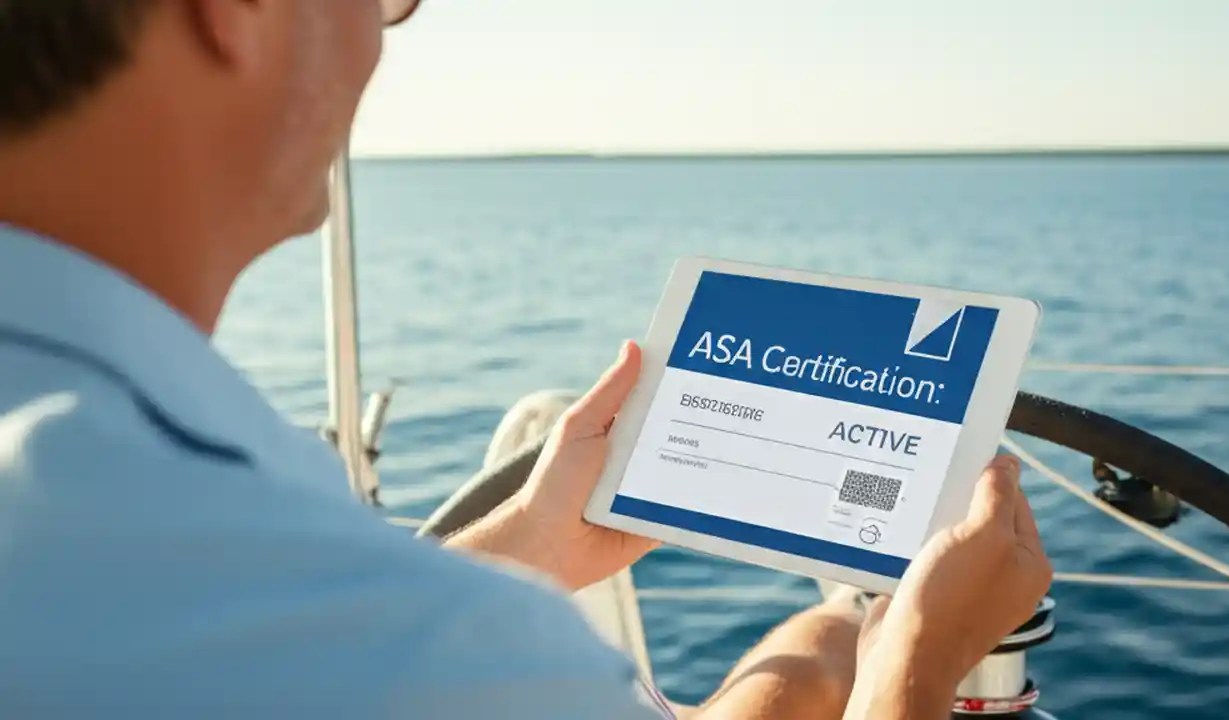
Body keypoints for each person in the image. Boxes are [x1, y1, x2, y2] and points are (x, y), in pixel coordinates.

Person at [0, 1, 1053, 718]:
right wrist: (918, 656)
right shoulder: (459, 662)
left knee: (817, 649)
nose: (379, 41)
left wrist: (527, 543)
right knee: (841, 653)